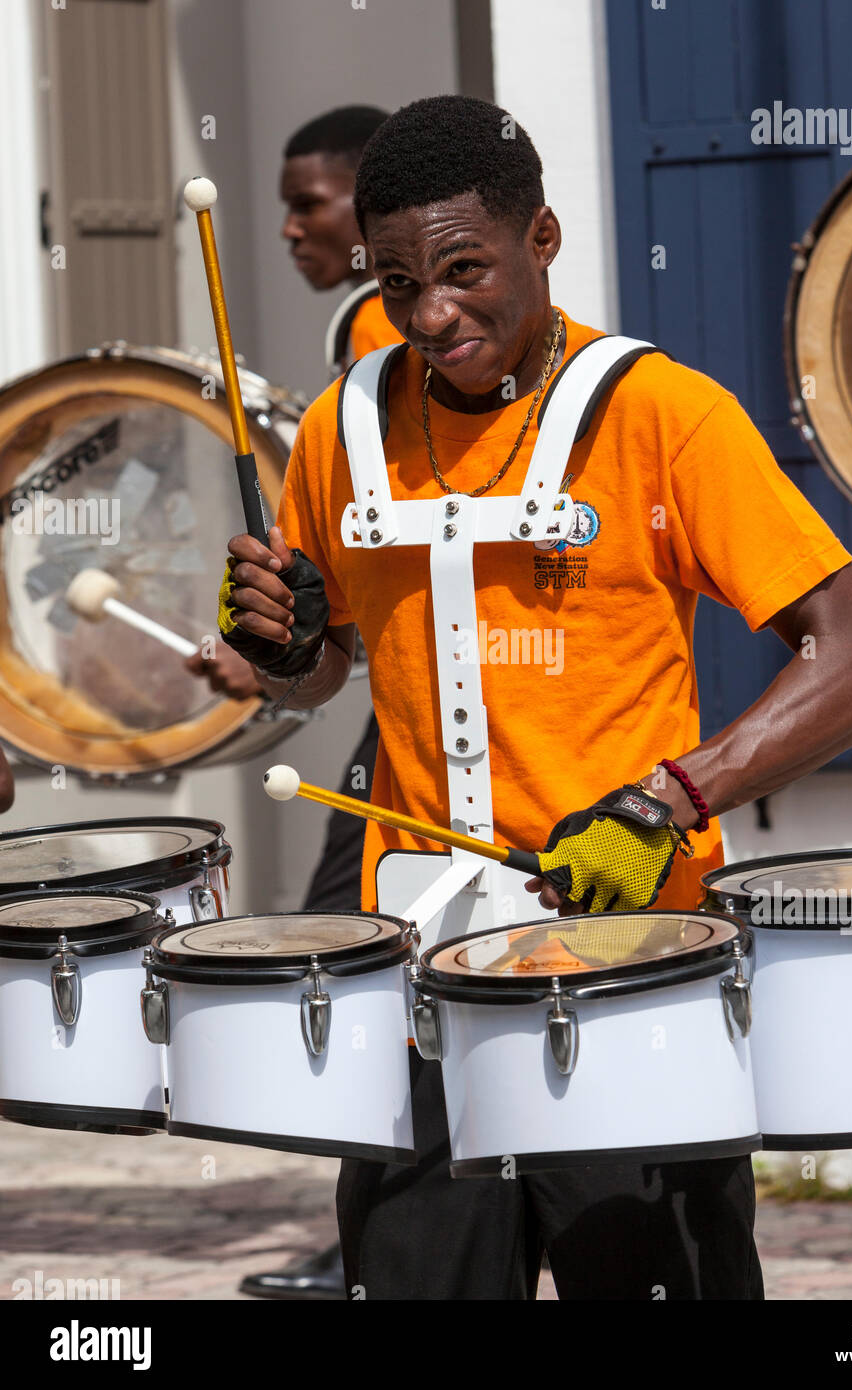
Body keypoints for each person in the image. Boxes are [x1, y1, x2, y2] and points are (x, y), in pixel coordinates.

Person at [218, 95, 852, 1300]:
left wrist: (667, 802)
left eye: (464, 269)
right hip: (420, 983)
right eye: (396, 284)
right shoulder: (341, 429)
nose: (434, 315)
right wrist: (288, 651)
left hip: (632, 971)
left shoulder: (664, 414)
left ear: (541, 238)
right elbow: (334, 663)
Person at [187, 104, 399, 1301]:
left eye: (311, 203)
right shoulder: (365, 335)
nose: (286, 227)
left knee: (348, 947)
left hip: (427, 730)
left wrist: (301, 643)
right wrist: (282, 641)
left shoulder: (379, 326)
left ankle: (370, 1238)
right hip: (417, 702)